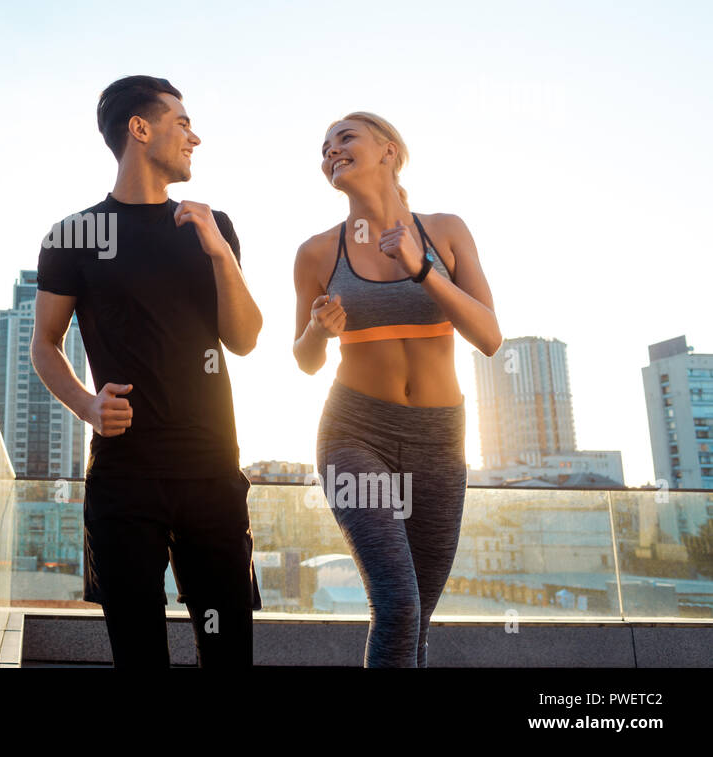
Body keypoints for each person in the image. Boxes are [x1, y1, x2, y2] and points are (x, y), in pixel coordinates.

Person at [31, 75, 264, 667]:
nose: (195, 137)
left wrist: (219, 252)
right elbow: (45, 345)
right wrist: (86, 405)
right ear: (140, 129)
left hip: (212, 475)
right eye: (182, 122)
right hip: (124, 481)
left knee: (228, 654)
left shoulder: (213, 226)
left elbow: (243, 338)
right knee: (139, 659)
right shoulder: (74, 235)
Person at [292, 111, 502, 667]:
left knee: (419, 614)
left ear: (389, 151)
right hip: (354, 433)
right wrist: (318, 328)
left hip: (440, 439)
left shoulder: (447, 231)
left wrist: (422, 268)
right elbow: (306, 361)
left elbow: (488, 337)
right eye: (324, 147)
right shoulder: (316, 253)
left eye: (345, 138)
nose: (331, 150)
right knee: (398, 604)